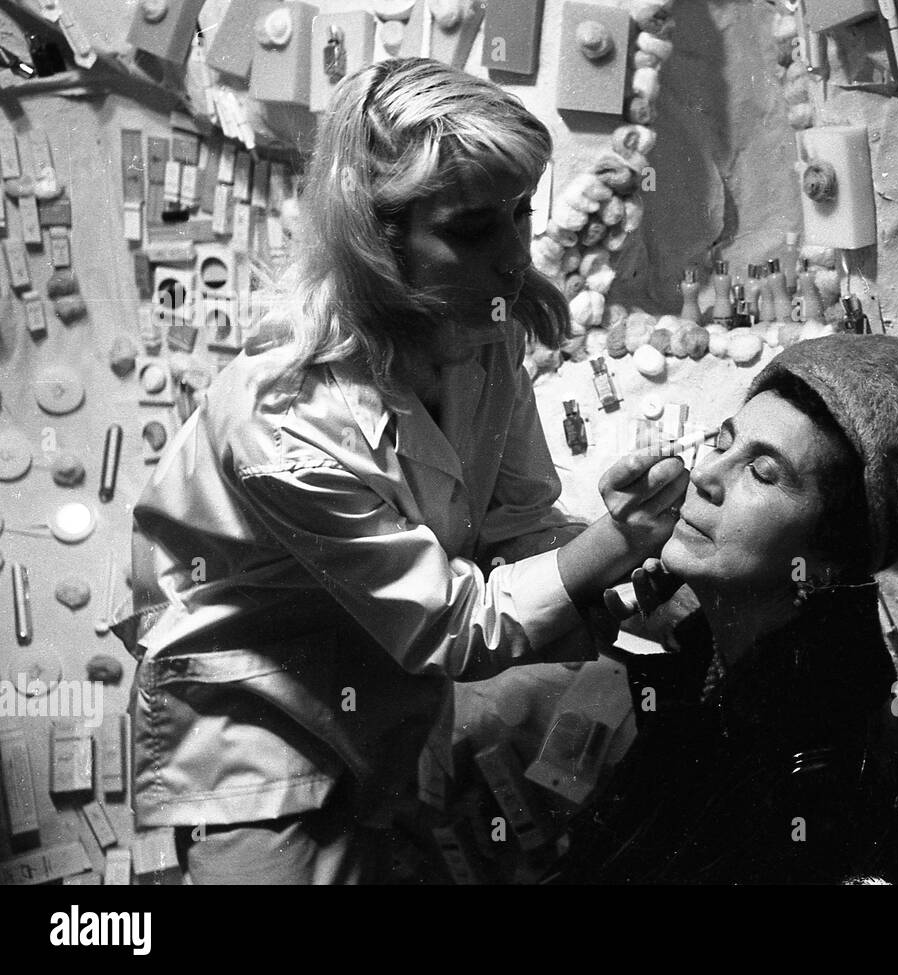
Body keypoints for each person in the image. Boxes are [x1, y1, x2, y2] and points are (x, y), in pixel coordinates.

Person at [111, 58, 687, 884]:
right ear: (376, 235)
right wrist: (611, 543)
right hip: (252, 722)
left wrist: (625, 553)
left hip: (380, 693)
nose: (515, 253)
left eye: (523, 212)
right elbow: (453, 625)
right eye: (473, 226)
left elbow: (515, 530)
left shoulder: (484, 339)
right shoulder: (285, 416)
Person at [550, 334, 898, 884]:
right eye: (724, 444)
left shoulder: (816, 780)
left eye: (764, 473)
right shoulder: (726, 652)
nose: (705, 476)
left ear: (833, 555)